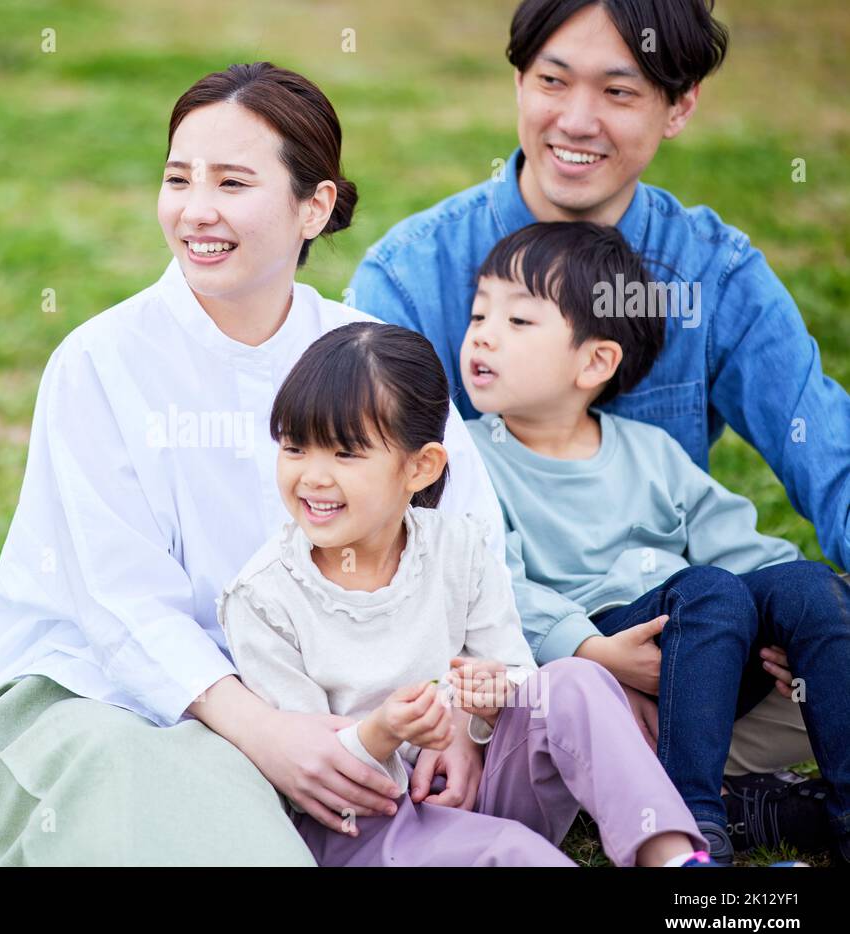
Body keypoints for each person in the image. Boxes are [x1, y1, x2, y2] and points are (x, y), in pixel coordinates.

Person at [0, 63, 509, 865]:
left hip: (341, 702)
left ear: (315, 205)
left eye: (233, 182)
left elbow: (465, 542)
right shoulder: (100, 361)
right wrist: (266, 733)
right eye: (177, 179)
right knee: (180, 811)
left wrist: (459, 721)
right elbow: (122, 604)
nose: (196, 210)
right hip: (114, 697)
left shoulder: (369, 355)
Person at [349, 0, 850, 846]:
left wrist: (786, 626)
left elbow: (828, 456)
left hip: (699, 644)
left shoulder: (712, 273)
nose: (575, 121)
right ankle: (689, 806)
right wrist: (573, 648)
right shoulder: (411, 275)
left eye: (619, 91)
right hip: (511, 671)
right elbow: (371, 532)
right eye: (551, 80)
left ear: (679, 103)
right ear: (518, 80)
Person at [218, 320, 714, 866]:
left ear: (420, 466)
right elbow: (307, 776)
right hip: (365, 826)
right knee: (512, 850)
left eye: (345, 453)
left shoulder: (458, 548)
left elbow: (514, 671)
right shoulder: (263, 598)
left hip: (475, 787)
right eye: (295, 447)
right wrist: (383, 732)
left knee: (575, 680)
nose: (313, 476)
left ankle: (672, 860)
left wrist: (478, 715)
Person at [460, 220, 850, 863]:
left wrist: (785, 630)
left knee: (806, 586)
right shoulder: (471, 456)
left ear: (595, 361)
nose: (484, 334)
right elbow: (489, 585)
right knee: (711, 591)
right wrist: (590, 649)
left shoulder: (650, 452)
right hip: (598, 654)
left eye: (518, 321)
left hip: (709, 653)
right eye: (479, 314)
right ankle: (699, 822)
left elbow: (743, 550)